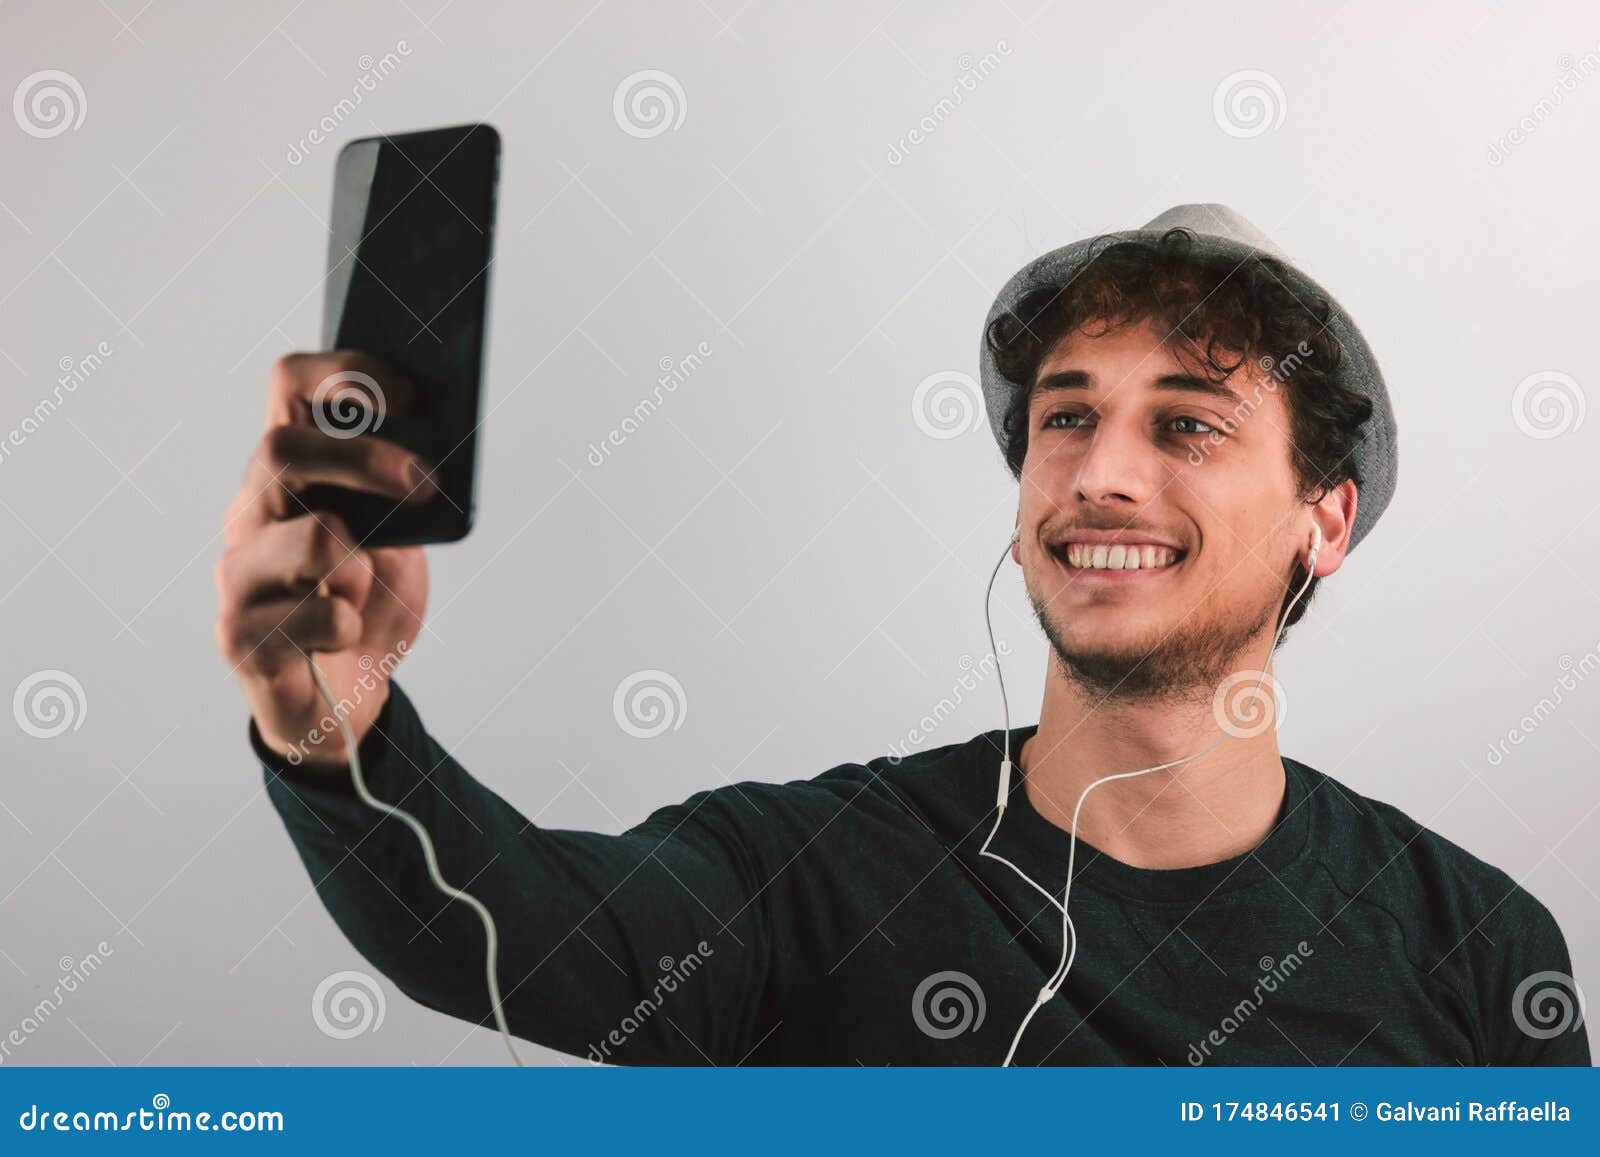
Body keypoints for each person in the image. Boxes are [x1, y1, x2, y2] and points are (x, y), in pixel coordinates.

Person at [216, 204, 1589, 1065]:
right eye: (1065, 415)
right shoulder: (813, 872)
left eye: (1186, 423)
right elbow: (524, 928)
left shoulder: (1473, 947)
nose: (1101, 470)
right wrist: (332, 723)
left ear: (1325, 520)